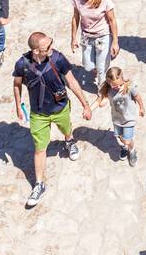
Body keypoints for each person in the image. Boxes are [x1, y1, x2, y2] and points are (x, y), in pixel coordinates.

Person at [13, 31, 93, 208]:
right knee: (40, 148)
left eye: (51, 44)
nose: (51, 48)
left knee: (66, 129)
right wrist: (18, 105)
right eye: (46, 47)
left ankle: (69, 141)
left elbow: (71, 82)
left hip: (60, 107)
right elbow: (17, 84)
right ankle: (39, 184)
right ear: (35, 51)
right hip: (38, 114)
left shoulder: (58, 58)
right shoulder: (22, 65)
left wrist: (85, 104)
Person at [70, 0, 119, 92]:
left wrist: (115, 42)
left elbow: (112, 21)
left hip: (103, 36)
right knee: (88, 66)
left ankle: (102, 90)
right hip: (86, 37)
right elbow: (75, 18)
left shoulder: (105, 0)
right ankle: (99, 68)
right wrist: (73, 38)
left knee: (101, 67)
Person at [96, 65, 145, 167]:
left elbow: (138, 97)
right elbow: (102, 100)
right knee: (120, 137)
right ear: (109, 83)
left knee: (127, 140)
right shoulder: (109, 90)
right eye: (114, 85)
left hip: (128, 120)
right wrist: (100, 103)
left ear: (122, 78)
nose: (118, 87)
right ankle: (125, 147)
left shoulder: (129, 87)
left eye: (119, 84)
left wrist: (141, 107)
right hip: (117, 120)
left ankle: (132, 150)